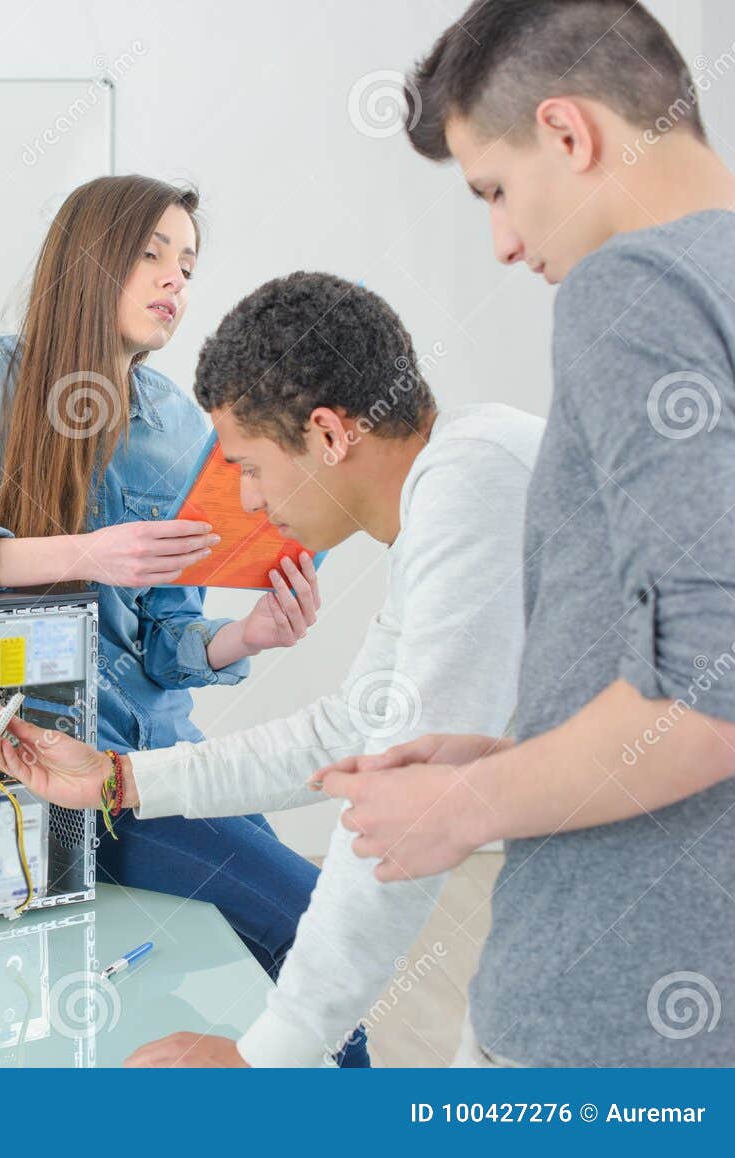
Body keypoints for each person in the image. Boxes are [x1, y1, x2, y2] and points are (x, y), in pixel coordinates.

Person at [0, 271, 544, 1066]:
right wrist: (116, 778)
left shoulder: (471, 489)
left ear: (327, 434)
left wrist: (265, 1057)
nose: (244, 502)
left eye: (248, 466)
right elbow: (345, 733)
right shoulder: (455, 485)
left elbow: (403, 803)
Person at [0, 175, 366, 1065]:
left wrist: (249, 636)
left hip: (152, 764)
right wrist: (79, 555)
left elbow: (171, 643)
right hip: (32, 773)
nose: (175, 279)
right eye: (152, 255)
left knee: (324, 952)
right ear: (92, 260)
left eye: (188, 265)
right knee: (315, 943)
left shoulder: (180, 425)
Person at [317, 0, 735, 1066]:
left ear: (568, 131)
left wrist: (462, 804)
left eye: (494, 191)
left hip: (612, 1016)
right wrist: (524, 754)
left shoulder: (635, 289)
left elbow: (710, 690)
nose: (501, 242)